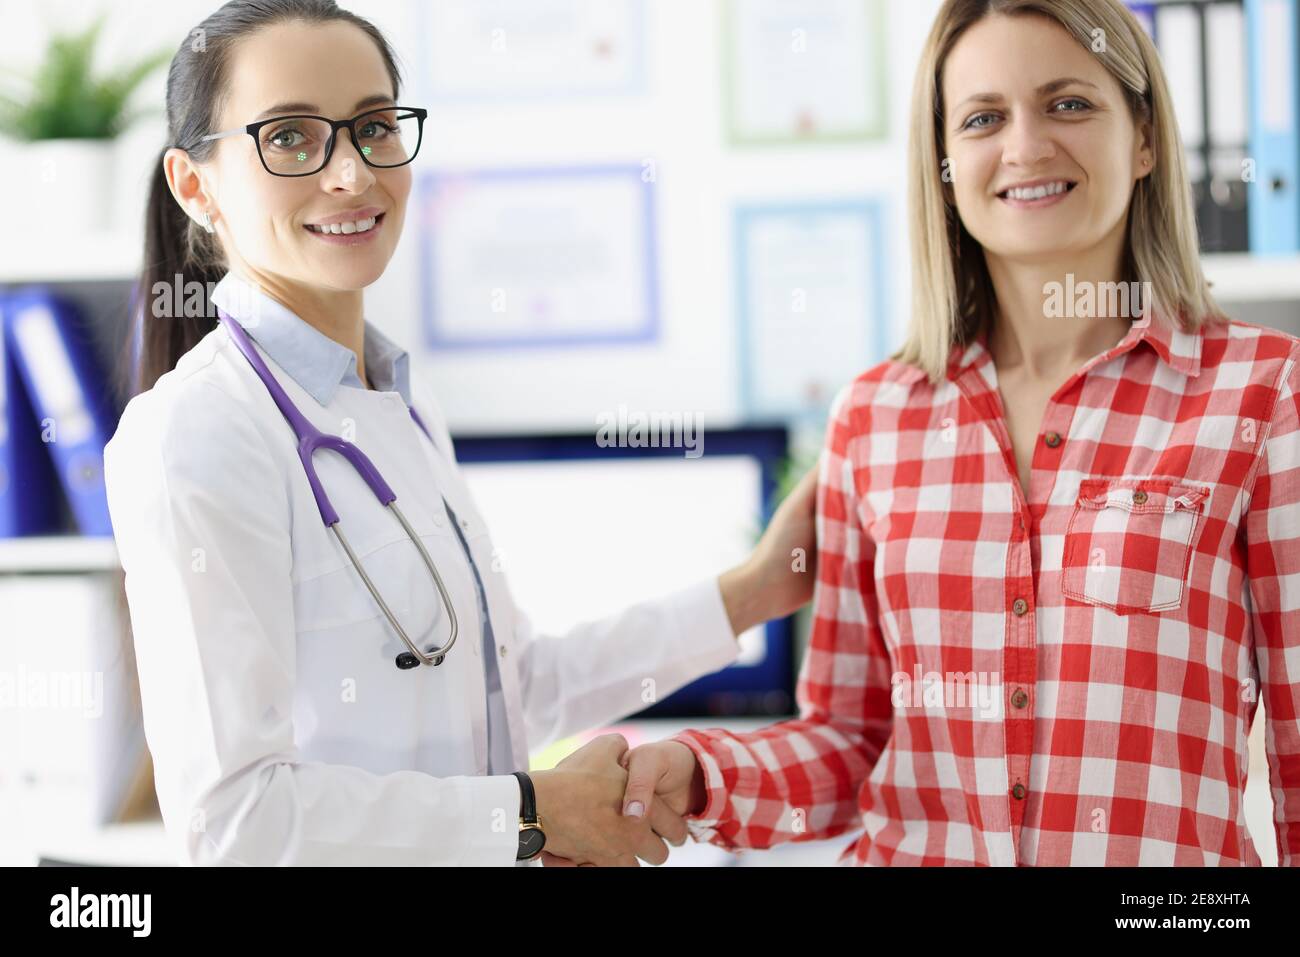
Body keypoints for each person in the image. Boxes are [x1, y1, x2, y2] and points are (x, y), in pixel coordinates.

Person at [105, 0, 817, 867]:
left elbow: (510, 689)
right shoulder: (198, 431)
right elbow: (236, 825)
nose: (351, 175)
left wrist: (755, 589)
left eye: (373, 126)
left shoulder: (397, 403)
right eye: (290, 137)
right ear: (195, 184)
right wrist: (530, 811)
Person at [619, 0, 1300, 867]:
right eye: (984, 118)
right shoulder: (876, 416)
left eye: (1068, 103)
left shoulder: (1261, 390)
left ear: (1144, 138)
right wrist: (701, 769)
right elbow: (852, 738)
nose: (1024, 147)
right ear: (944, 167)